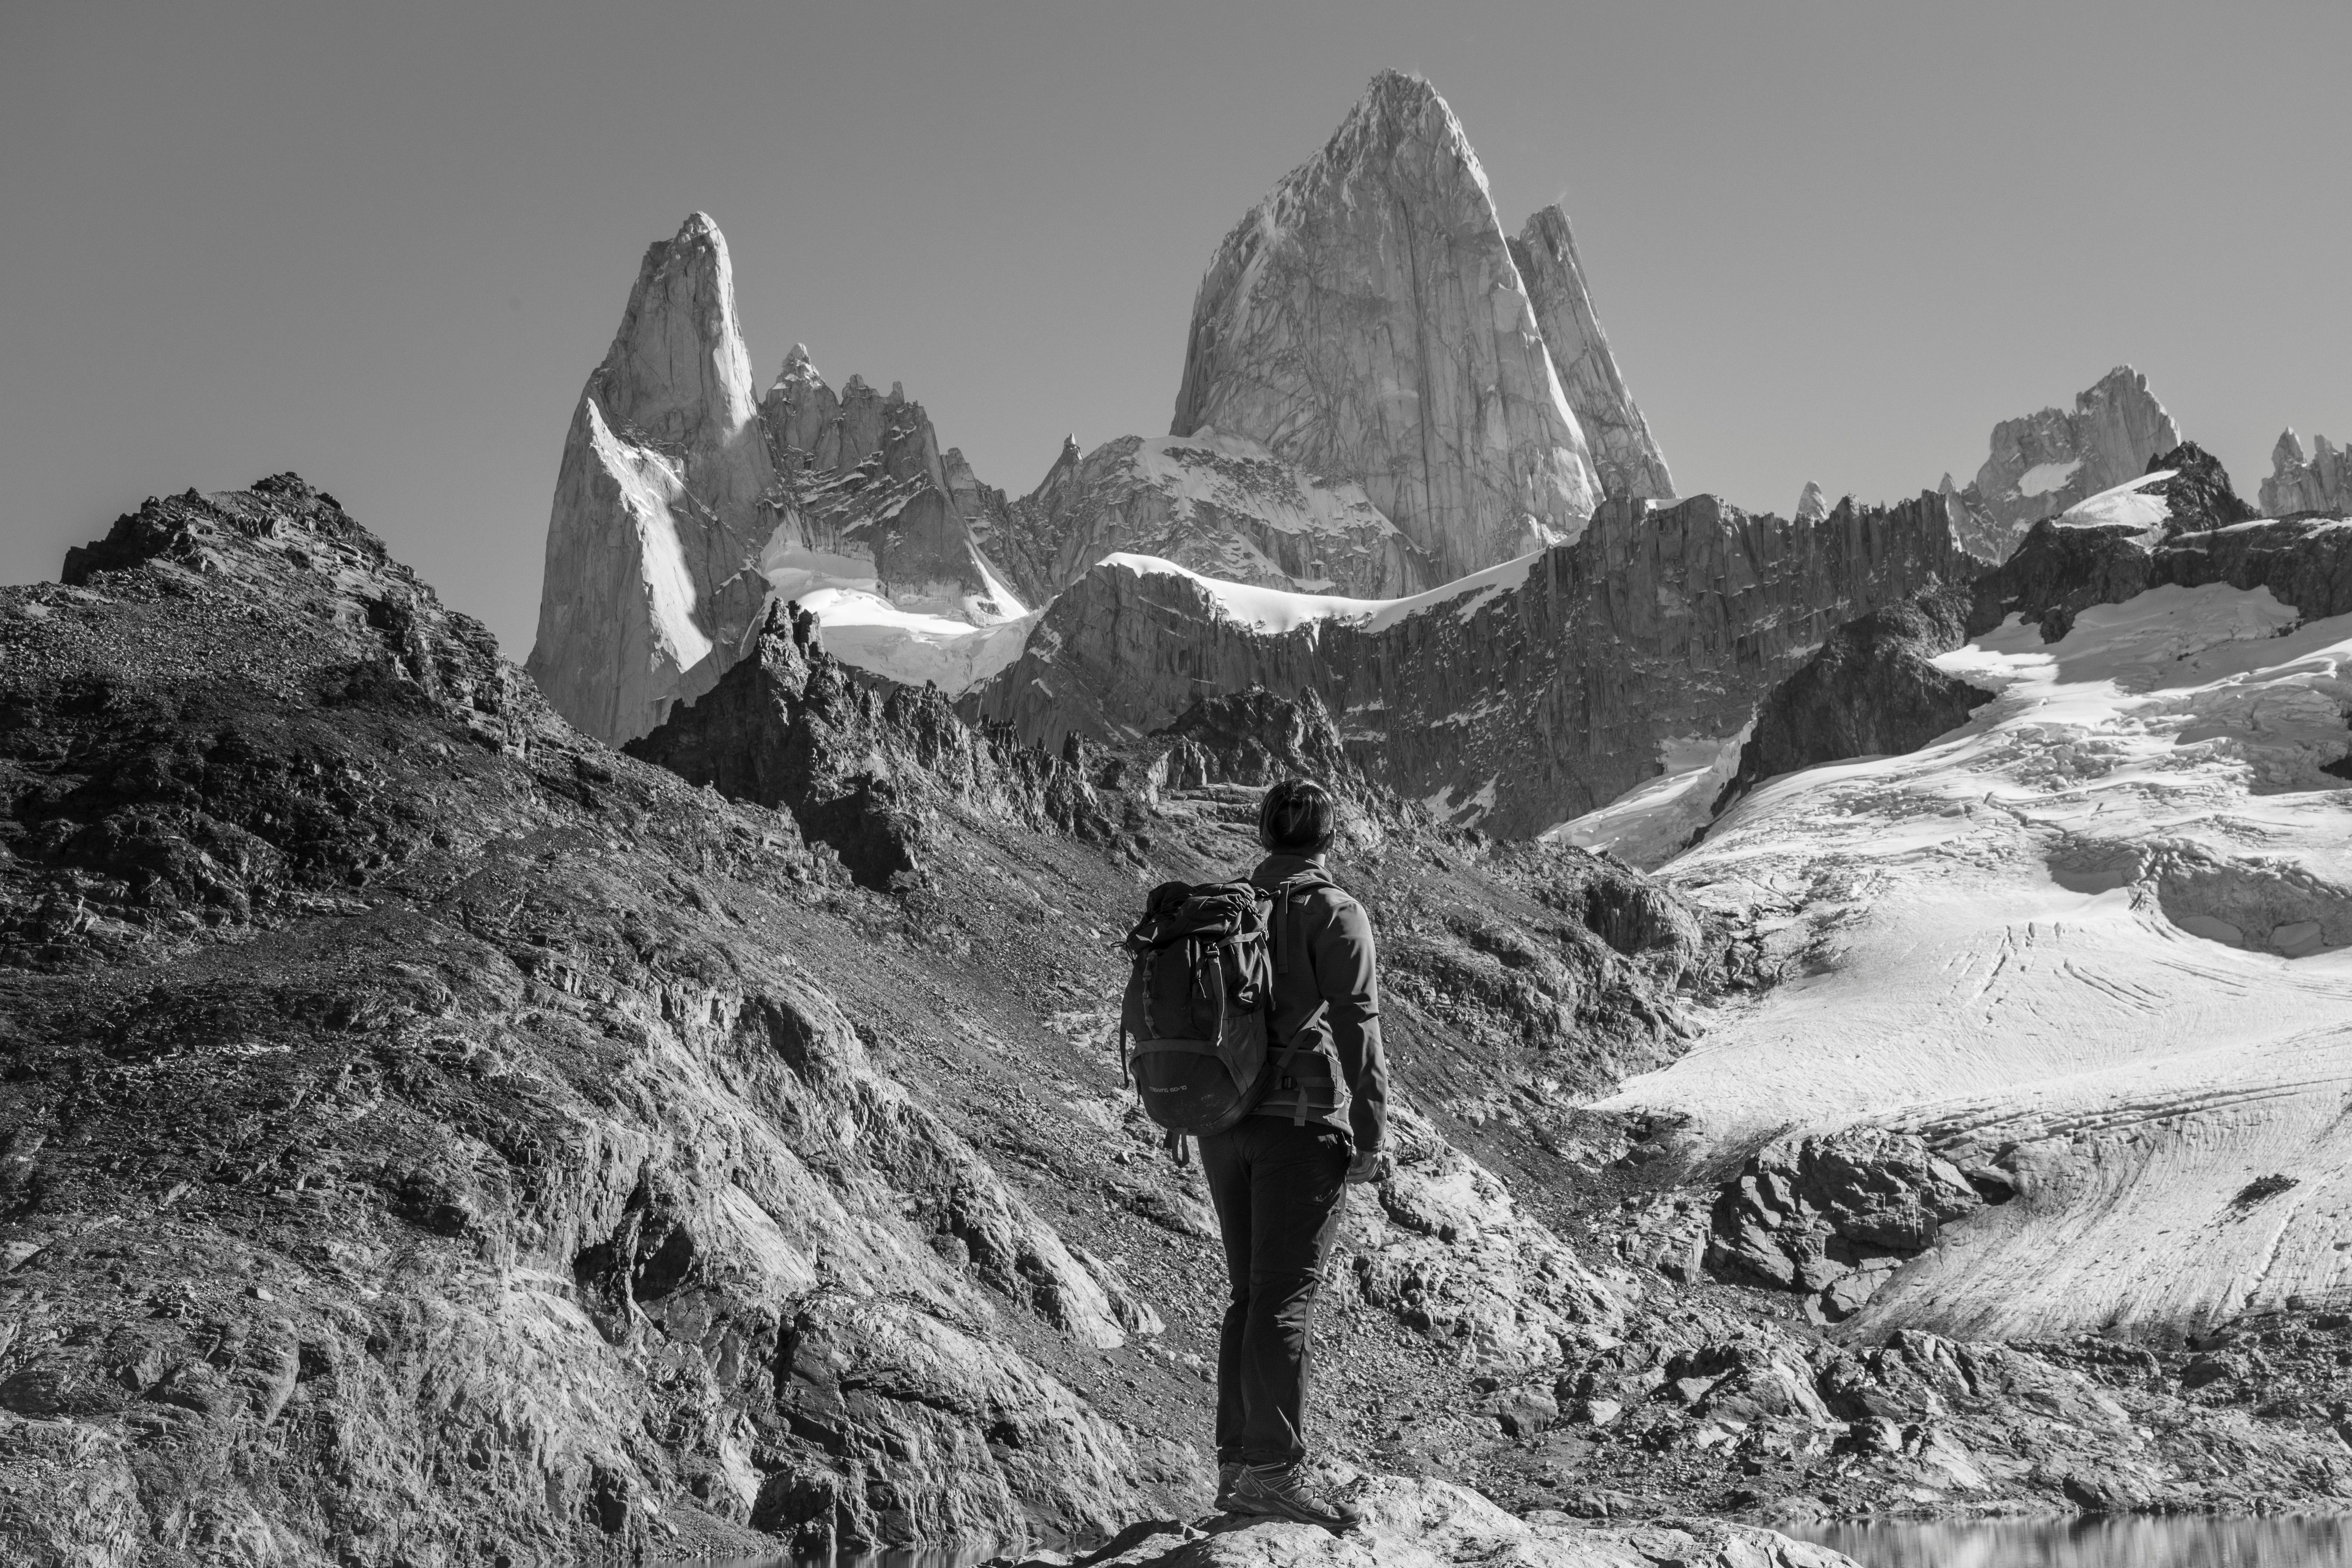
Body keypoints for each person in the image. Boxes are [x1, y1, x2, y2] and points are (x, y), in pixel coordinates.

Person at [1205, 777, 1391, 1529]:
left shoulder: (1229, 909)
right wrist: (1372, 1135)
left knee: (1248, 1297)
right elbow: (1360, 1030)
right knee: (1282, 1303)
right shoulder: (1334, 913)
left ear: (1264, 832)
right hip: (1300, 1123)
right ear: (1328, 836)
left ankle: (1236, 1466)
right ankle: (1274, 1476)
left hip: (1224, 1124)